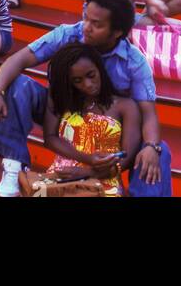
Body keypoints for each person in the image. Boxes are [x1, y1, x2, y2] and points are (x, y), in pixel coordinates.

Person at [0, 0, 171, 197]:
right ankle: (13, 164)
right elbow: (18, 59)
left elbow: (148, 112)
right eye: (85, 18)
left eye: (96, 24)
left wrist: (152, 146)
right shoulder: (68, 34)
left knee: (158, 151)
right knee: (19, 85)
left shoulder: (134, 61)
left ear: (117, 32)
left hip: (109, 126)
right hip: (64, 111)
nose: (86, 27)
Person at [40, 42, 133, 195]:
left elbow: (127, 156)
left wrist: (90, 172)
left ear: (100, 69)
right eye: (77, 81)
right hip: (62, 176)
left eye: (91, 75)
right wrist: (87, 158)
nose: (88, 84)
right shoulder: (62, 98)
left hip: (104, 181)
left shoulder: (125, 106)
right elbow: (50, 138)